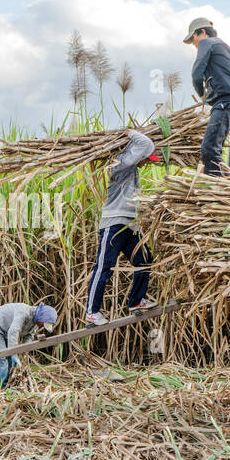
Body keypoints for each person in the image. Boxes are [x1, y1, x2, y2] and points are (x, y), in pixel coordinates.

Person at [84, 130, 159, 326]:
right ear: (137, 155)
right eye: (146, 159)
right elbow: (143, 142)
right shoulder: (121, 165)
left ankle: (136, 301)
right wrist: (130, 133)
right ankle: (92, 311)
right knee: (104, 266)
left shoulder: (132, 171)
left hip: (129, 225)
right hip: (114, 223)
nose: (147, 163)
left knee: (144, 258)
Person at [184, 17, 230, 175]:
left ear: (203, 32)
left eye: (193, 39)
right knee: (214, 149)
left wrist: (205, 101)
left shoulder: (207, 43)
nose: (194, 44)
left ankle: (215, 187)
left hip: (224, 103)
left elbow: (196, 73)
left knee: (209, 150)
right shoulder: (224, 47)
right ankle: (224, 184)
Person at [0, 302, 57, 388]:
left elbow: (29, 336)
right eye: (43, 323)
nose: (42, 325)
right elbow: (13, 332)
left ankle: (9, 384)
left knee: (9, 358)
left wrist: (23, 351)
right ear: (41, 316)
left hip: (5, 329)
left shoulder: (35, 322)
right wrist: (14, 354)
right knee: (1, 356)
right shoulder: (23, 312)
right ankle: (1, 387)